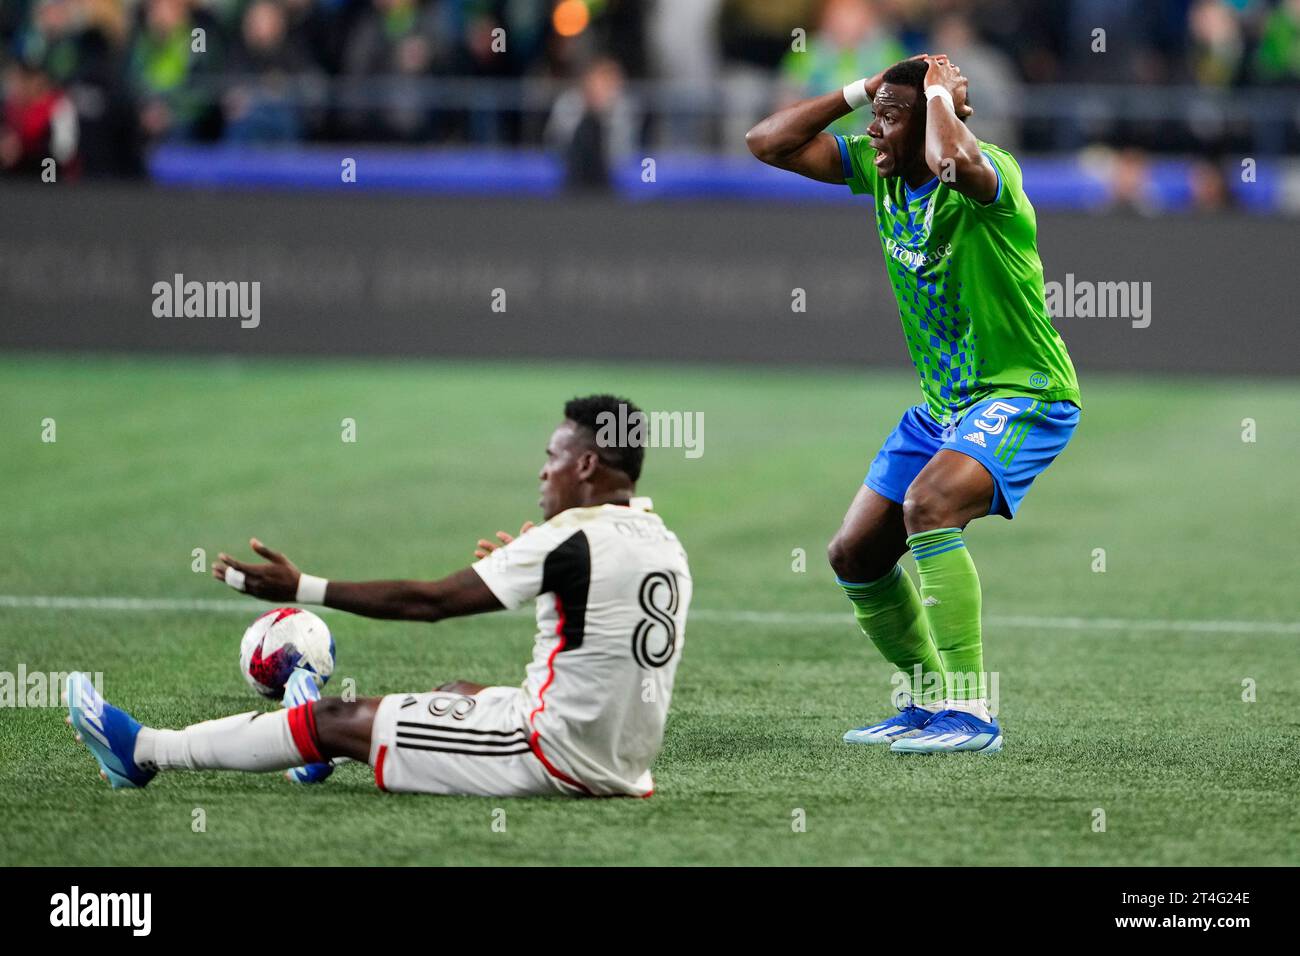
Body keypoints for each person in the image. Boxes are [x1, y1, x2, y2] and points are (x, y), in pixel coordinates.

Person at [66, 395, 692, 797]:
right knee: (454, 693)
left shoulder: (569, 539)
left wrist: (304, 586)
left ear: (585, 465)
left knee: (333, 718)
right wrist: (543, 562)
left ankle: (143, 752)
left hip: (552, 753)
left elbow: (429, 602)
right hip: (620, 756)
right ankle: (312, 758)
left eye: (552, 456)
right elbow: (596, 610)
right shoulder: (660, 540)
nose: (542, 470)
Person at [746, 55, 1081, 754]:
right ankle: (927, 701)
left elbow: (953, 158)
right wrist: (863, 89)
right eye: (874, 115)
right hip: (942, 405)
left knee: (929, 505)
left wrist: (937, 101)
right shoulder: (880, 173)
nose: (871, 131)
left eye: (888, 120)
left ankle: (972, 714)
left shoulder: (988, 176)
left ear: (937, 119)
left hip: (1022, 392)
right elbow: (766, 142)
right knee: (855, 556)